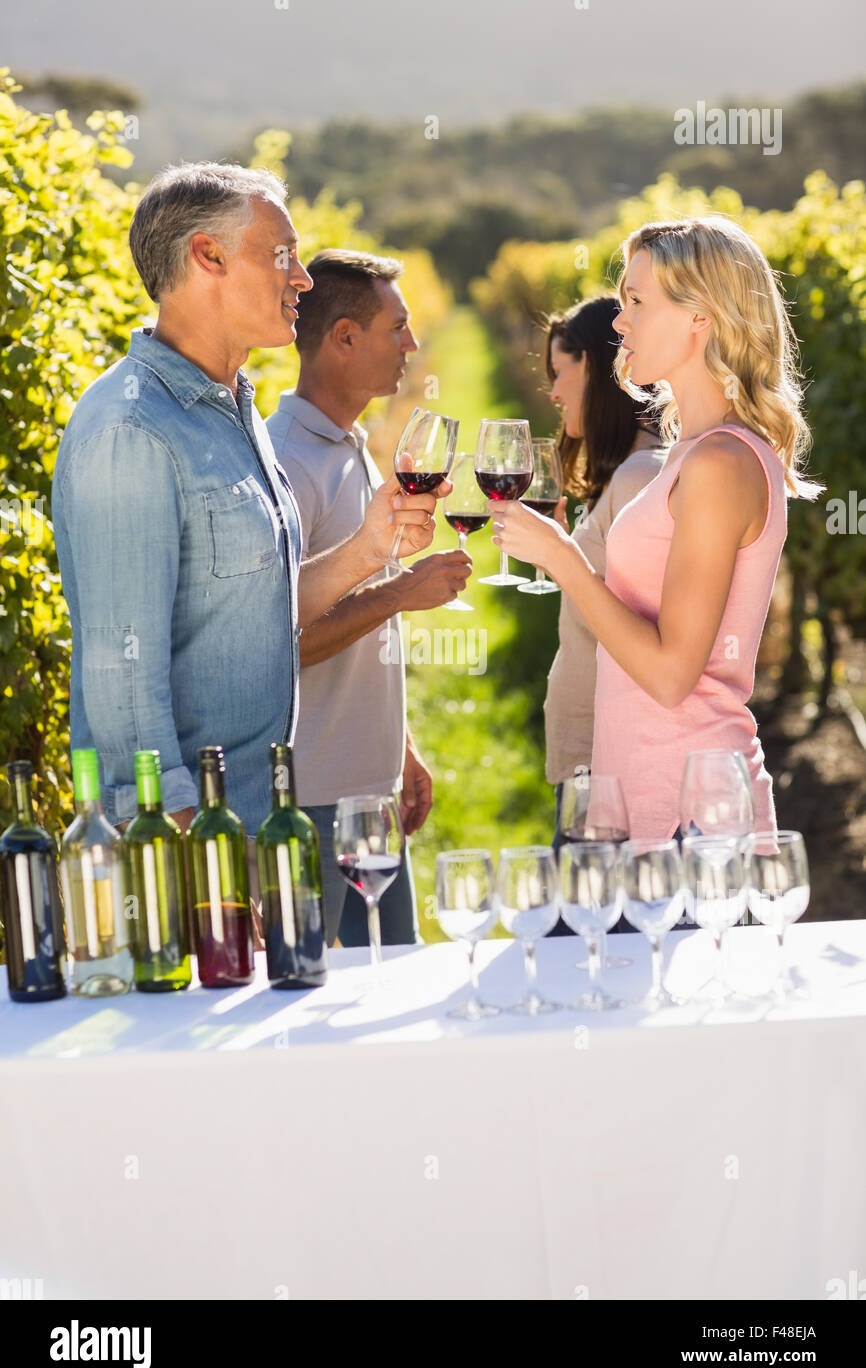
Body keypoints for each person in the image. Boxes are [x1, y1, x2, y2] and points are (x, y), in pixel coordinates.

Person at [51, 164, 449, 935]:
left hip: (259, 833)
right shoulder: (131, 431)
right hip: (190, 866)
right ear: (208, 256)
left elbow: (255, 613)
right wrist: (210, 879)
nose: (303, 278)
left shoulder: (230, 412)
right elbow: (123, 683)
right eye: (282, 256)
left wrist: (369, 549)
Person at [489, 215, 823, 843]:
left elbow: (672, 677)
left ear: (700, 316)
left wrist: (563, 560)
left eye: (637, 302)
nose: (620, 323)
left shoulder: (721, 463)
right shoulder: (691, 452)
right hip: (650, 805)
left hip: (692, 821)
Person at [266, 249, 470, 947]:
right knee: (313, 996)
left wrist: (398, 748)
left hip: (367, 787)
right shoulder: (288, 461)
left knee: (387, 981)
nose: (412, 345)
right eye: (397, 328)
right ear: (345, 338)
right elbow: (277, 644)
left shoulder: (348, 443)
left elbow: (353, 610)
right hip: (315, 798)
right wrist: (402, 593)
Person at [543, 296, 665, 857]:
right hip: (592, 760)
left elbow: (645, 634)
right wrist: (561, 554)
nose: (553, 392)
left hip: (610, 766)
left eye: (559, 371)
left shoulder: (641, 477)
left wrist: (560, 556)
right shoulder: (625, 475)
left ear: (592, 366)